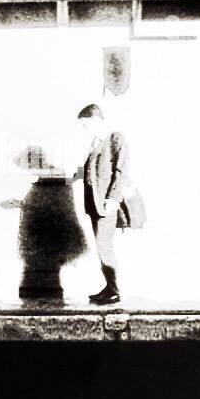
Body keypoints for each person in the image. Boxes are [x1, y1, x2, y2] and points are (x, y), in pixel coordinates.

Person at [76, 104, 128, 305]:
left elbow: (121, 171)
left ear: (97, 120)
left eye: (86, 124)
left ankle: (114, 291)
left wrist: (114, 198)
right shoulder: (96, 141)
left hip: (107, 203)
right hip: (94, 203)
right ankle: (109, 288)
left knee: (103, 244)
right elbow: (93, 170)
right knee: (101, 246)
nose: (85, 129)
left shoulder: (115, 138)